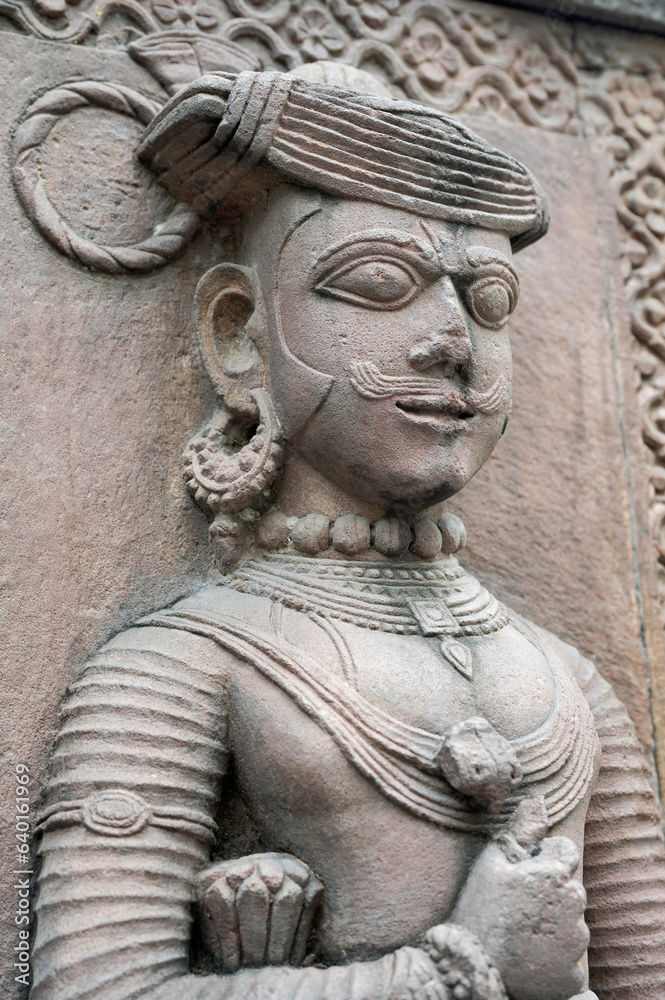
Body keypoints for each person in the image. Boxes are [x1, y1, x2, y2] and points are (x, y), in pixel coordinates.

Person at [30, 63, 665, 1000]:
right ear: (239, 337)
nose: (451, 339)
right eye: (379, 282)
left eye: (487, 301)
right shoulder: (181, 668)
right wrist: (458, 970)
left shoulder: (569, 683)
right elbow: (94, 988)